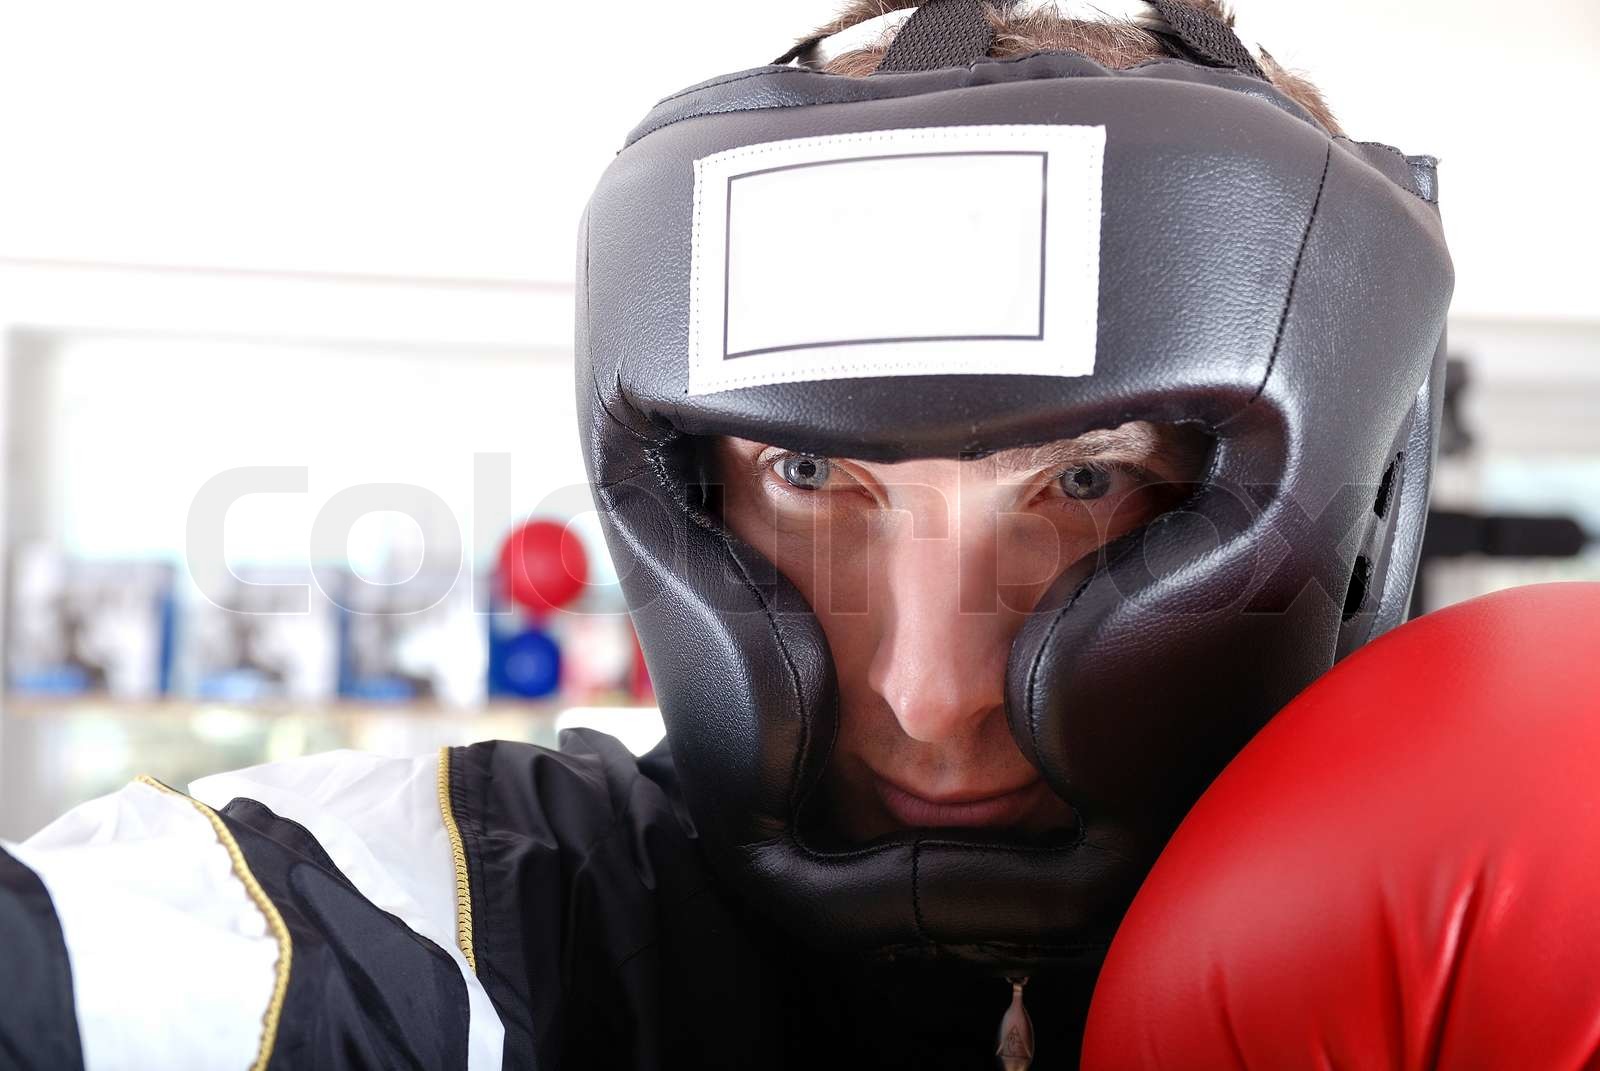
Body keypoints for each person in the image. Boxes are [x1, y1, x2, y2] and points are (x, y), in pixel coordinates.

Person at [1, 1, 1461, 1068]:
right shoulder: (490, 925)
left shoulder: (1485, 943)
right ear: (685, 492)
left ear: (1353, 512)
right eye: (815, 479)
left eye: (1083, 486)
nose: (929, 700)